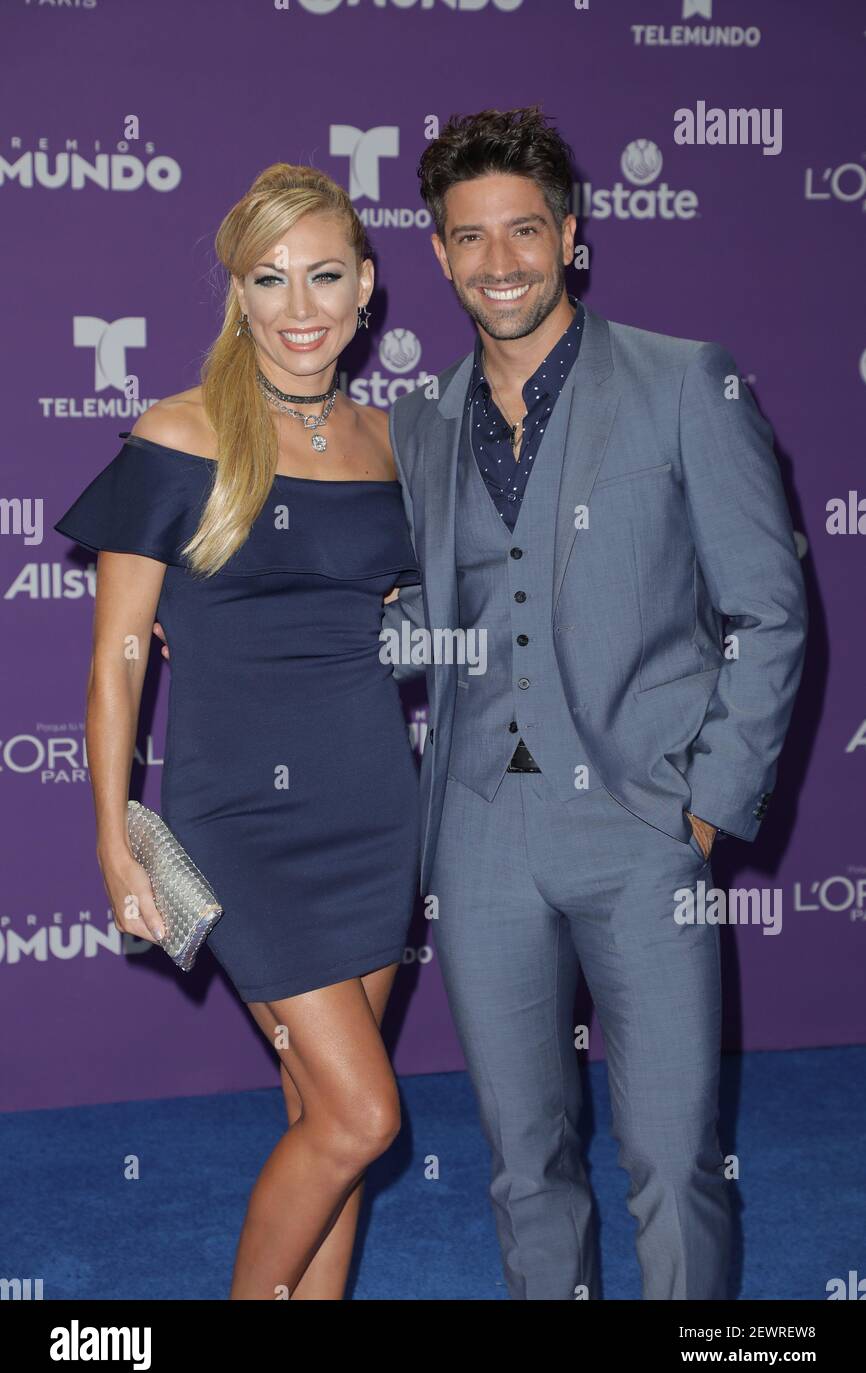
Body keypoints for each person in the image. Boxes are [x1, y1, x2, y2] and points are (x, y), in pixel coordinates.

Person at [379, 106, 808, 1299]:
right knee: (523, 1164)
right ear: (438, 254)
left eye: (524, 230)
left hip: (640, 829)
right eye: (471, 238)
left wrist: (707, 807)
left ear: (571, 235)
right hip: (476, 838)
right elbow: (416, 615)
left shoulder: (682, 382)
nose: (499, 260)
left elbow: (767, 610)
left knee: (673, 1161)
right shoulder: (419, 425)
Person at [53, 163, 422, 1301]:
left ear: (365, 287)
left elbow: (417, 600)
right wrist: (114, 836)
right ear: (238, 295)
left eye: (323, 276)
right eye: (270, 280)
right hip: (241, 819)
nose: (299, 307)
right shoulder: (180, 434)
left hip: (373, 808)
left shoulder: (396, 445)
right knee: (366, 1114)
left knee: (324, 1119)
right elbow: (118, 660)